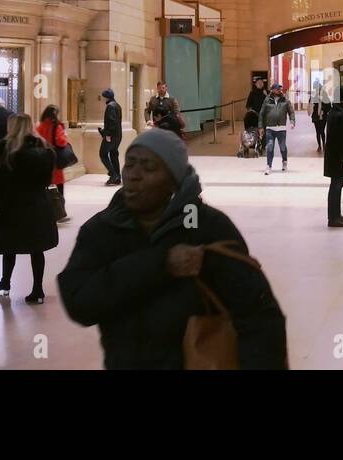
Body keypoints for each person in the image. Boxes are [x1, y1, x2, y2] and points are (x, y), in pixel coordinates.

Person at [57, 129, 288, 369]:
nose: (134, 175)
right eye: (130, 164)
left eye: (148, 167)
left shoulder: (207, 227)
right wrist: (160, 264)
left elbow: (259, 317)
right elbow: (80, 303)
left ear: (173, 179)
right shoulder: (103, 229)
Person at [0, 114, 59, 304]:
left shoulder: (5, 149)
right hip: (38, 201)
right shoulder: (44, 148)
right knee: (37, 248)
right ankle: (38, 289)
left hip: (12, 202)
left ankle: (5, 281)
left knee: (8, 245)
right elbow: (48, 178)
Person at [37, 104, 70, 222]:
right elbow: (61, 142)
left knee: (44, 185)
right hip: (55, 159)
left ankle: (45, 211)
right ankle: (60, 211)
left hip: (43, 158)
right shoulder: (57, 126)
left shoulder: (40, 126)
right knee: (59, 186)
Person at [324, 101, 343, 228]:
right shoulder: (339, 115)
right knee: (336, 186)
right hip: (338, 158)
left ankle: (336, 214)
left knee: (336, 185)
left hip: (333, 157)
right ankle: (333, 218)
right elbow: (341, 140)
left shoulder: (333, 112)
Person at [259, 83, 295, 175]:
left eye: (280, 89)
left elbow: (291, 112)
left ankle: (284, 161)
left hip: (281, 128)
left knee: (282, 146)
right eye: (278, 89)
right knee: (270, 147)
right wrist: (260, 127)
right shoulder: (267, 100)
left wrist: (292, 121)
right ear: (273, 90)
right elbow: (261, 114)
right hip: (270, 128)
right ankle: (269, 166)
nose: (280, 91)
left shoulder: (285, 100)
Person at [98, 88, 122, 186]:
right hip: (118, 135)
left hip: (112, 136)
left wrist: (107, 134)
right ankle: (117, 177)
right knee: (113, 154)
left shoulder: (110, 106)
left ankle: (113, 175)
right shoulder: (117, 105)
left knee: (103, 154)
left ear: (106, 97)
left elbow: (112, 122)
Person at [310, 83, 326, 153]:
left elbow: (328, 106)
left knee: (322, 131)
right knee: (318, 131)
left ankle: (324, 145)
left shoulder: (325, 96)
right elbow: (310, 106)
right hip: (316, 117)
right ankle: (319, 146)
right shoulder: (313, 97)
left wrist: (323, 109)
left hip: (323, 117)